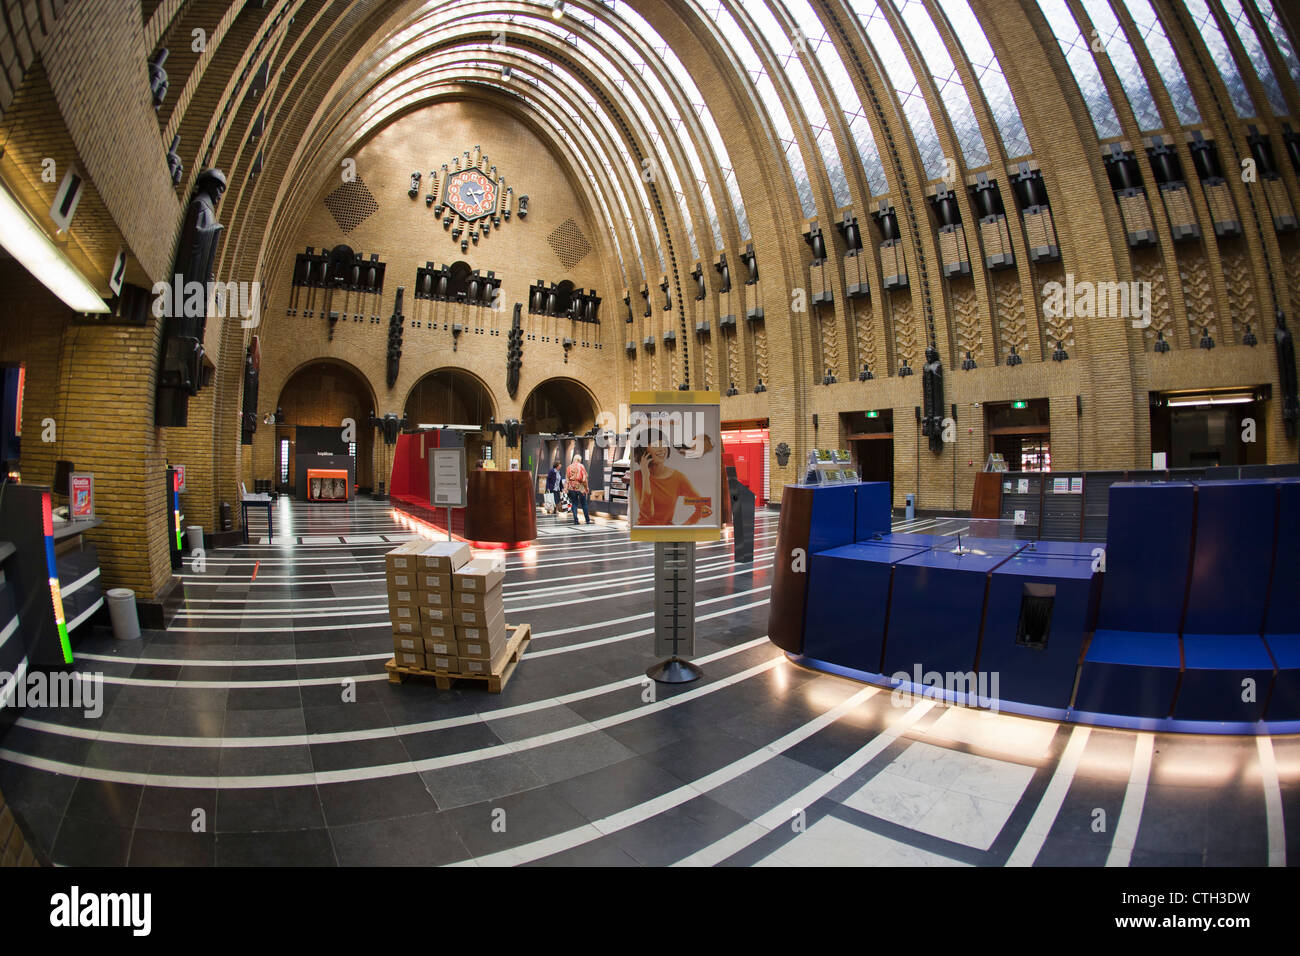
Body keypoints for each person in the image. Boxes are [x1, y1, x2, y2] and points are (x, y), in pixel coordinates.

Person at [631, 428, 712, 526]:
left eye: (663, 444)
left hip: (667, 533)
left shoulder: (677, 478)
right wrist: (646, 476)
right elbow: (648, 513)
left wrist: (684, 528)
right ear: (643, 450)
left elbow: (703, 506)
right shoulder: (637, 476)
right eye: (655, 445)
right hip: (644, 535)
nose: (661, 449)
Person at [566, 453, 592, 525]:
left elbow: (567, 479)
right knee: (584, 503)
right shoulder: (581, 466)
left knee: (574, 503)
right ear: (578, 460)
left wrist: (566, 488)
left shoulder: (569, 467)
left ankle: (576, 520)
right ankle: (587, 520)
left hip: (571, 487)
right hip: (580, 487)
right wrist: (586, 487)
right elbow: (584, 479)